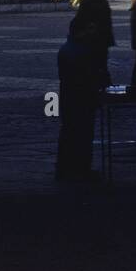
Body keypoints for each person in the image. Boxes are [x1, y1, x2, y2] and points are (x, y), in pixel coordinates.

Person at [55, 18, 104, 181]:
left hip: (70, 98)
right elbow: (89, 76)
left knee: (69, 132)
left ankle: (65, 168)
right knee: (82, 133)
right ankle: (81, 168)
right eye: (90, 28)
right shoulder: (82, 51)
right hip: (81, 98)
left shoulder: (67, 49)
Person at [72, 0, 115, 86]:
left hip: (99, 37)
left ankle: (101, 85)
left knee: (99, 64)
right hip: (94, 37)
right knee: (97, 65)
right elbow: (84, 17)